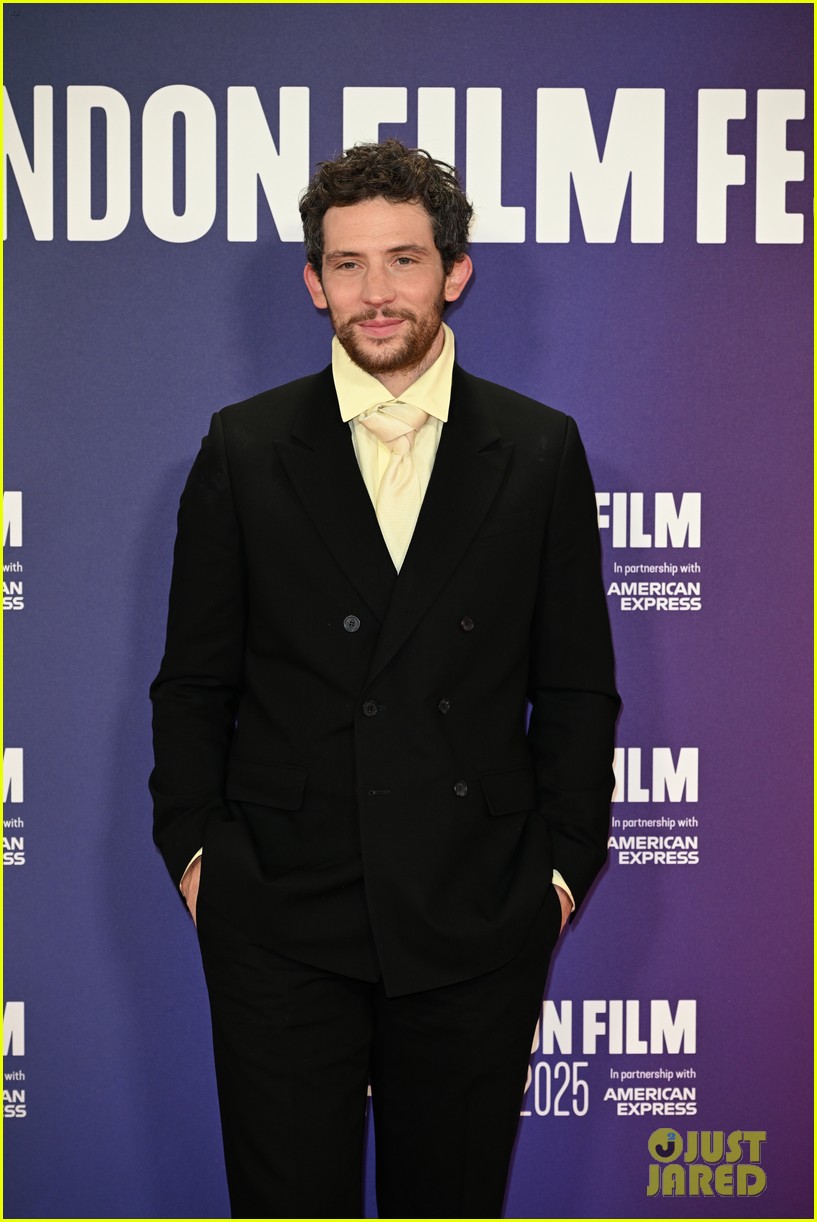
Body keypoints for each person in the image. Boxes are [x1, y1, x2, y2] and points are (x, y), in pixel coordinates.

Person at [150, 139, 619, 1220]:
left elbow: (578, 687)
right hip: (278, 909)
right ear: (314, 281)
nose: (376, 293)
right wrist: (197, 855)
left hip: (474, 908)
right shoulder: (246, 446)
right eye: (348, 265)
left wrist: (553, 877)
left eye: (403, 260)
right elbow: (193, 683)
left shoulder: (538, 450)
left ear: (454, 271)